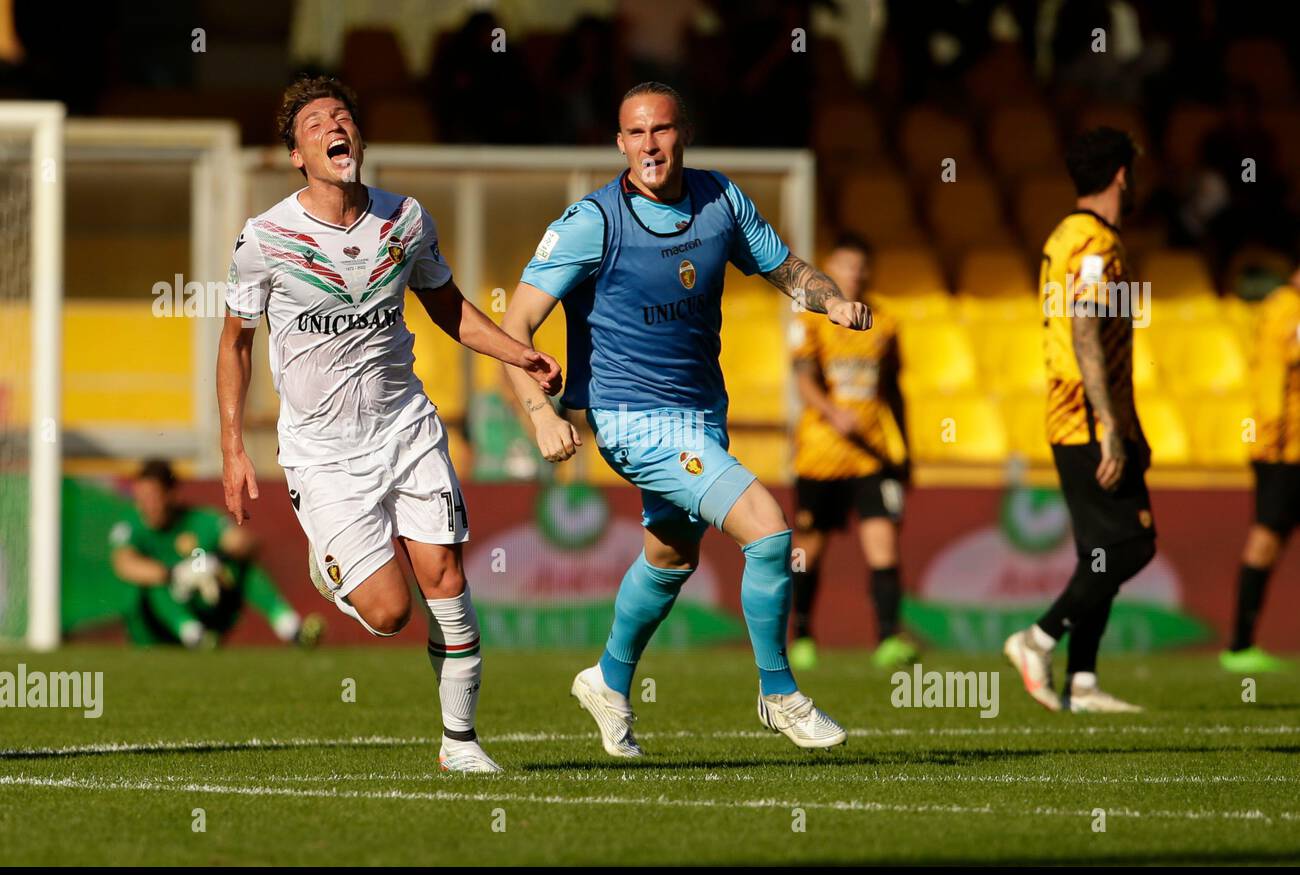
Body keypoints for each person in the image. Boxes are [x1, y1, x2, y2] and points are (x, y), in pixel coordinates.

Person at [501, 81, 871, 756]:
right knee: (767, 531)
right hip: (630, 419)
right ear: (619, 144)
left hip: (702, 411)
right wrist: (539, 415)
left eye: (661, 130)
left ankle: (608, 680)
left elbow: (786, 269)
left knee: (671, 554)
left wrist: (833, 302)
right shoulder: (592, 222)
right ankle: (780, 692)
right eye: (636, 133)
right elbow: (516, 322)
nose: (650, 145)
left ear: (684, 134)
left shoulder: (720, 199)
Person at [216, 76, 562, 772]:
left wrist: (518, 350)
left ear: (359, 139)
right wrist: (232, 445)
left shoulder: (405, 221)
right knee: (390, 613)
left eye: (342, 117)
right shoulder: (266, 239)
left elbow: (448, 306)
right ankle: (332, 560)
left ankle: (459, 744)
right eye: (315, 124)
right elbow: (236, 342)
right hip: (323, 453)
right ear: (296, 155)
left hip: (406, 429)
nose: (332, 127)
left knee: (449, 585)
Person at [1004, 127, 1151, 713]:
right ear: (1121, 174)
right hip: (1087, 416)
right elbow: (1087, 331)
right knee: (1132, 546)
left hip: (1082, 411)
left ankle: (1083, 681)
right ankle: (1038, 638)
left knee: (1100, 549)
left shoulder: (1065, 234)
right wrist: (1112, 425)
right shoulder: (1096, 246)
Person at [788, 234, 915, 671]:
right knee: (809, 549)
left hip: (871, 456)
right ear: (831, 269)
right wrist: (831, 412)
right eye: (845, 266)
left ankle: (888, 639)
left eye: (861, 267)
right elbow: (803, 379)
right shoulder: (810, 320)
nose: (854, 274)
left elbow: (894, 389)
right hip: (820, 455)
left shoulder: (886, 323)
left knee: (884, 547)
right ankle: (802, 635)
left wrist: (906, 449)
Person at [109, 459, 323, 649]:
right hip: (154, 629)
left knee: (243, 569)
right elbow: (124, 564)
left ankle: (291, 627)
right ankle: (193, 635)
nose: (147, 505)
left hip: (207, 607)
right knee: (155, 584)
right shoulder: (131, 526)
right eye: (141, 497)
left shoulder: (200, 520)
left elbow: (242, 542)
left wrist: (217, 560)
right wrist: (175, 574)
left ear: (170, 495)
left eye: (152, 497)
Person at [1221, 265, 1300, 673]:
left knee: (1269, 541)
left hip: (1286, 449)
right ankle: (1239, 646)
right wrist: (1269, 442)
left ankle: (1241, 645)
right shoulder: (1286, 309)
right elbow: (1273, 378)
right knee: (1265, 540)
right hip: (1283, 452)